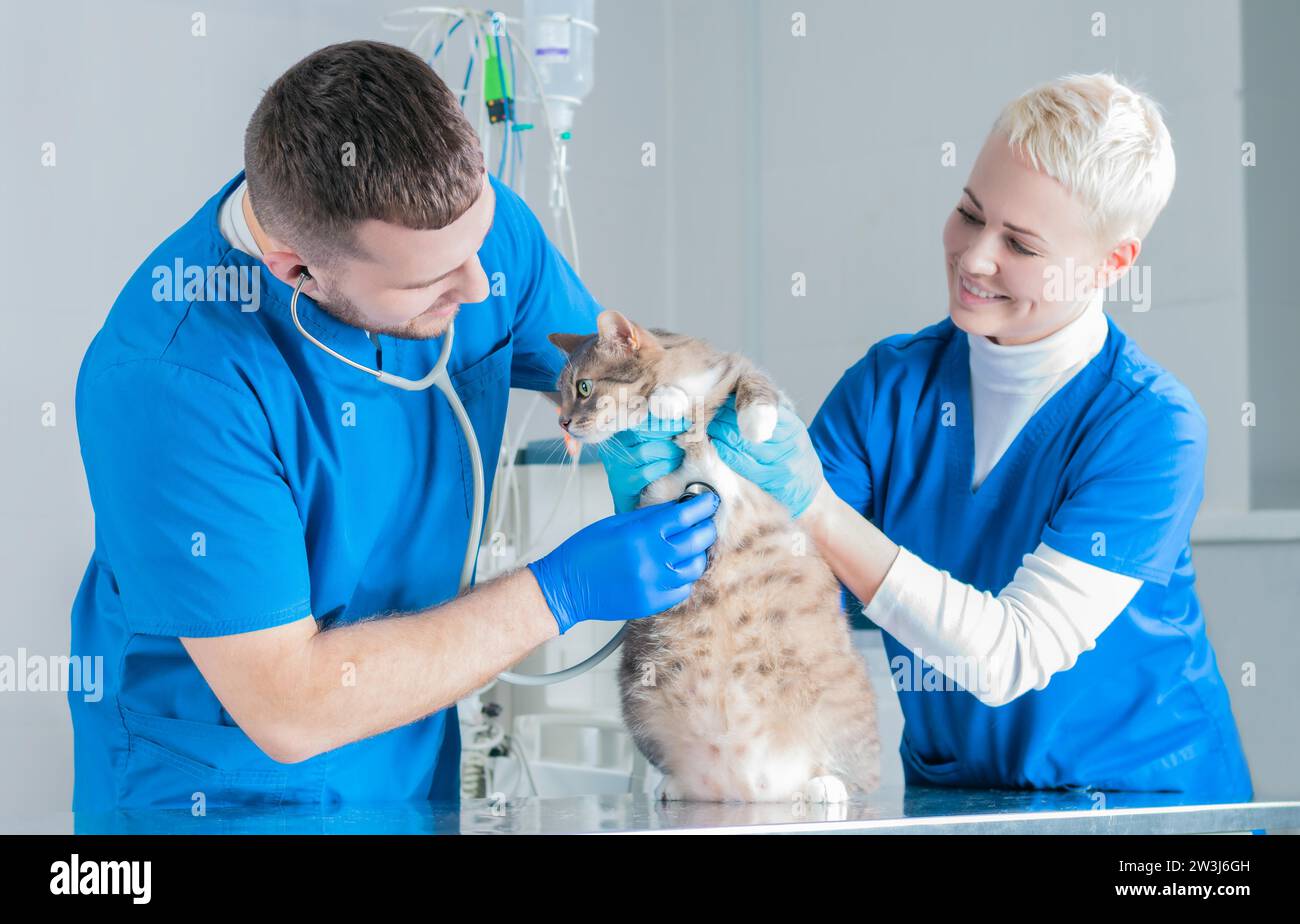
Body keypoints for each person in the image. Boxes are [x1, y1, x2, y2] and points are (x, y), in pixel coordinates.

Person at [69, 40, 718, 813]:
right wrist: (560, 592)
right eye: (430, 281)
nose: (479, 288)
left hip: (408, 773)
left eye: (477, 245)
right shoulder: (173, 381)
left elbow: (615, 370)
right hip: (223, 794)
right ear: (294, 269)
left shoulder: (470, 234)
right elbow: (289, 703)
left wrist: (704, 432)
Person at [611, 73, 1253, 803]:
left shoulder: (1148, 428)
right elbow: (783, 589)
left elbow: (1012, 652)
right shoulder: (891, 388)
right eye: (970, 213)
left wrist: (816, 509)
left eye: (1021, 243)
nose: (975, 257)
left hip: (1150, 815)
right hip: (963, 799)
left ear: (1112, 264)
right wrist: (674, 495)